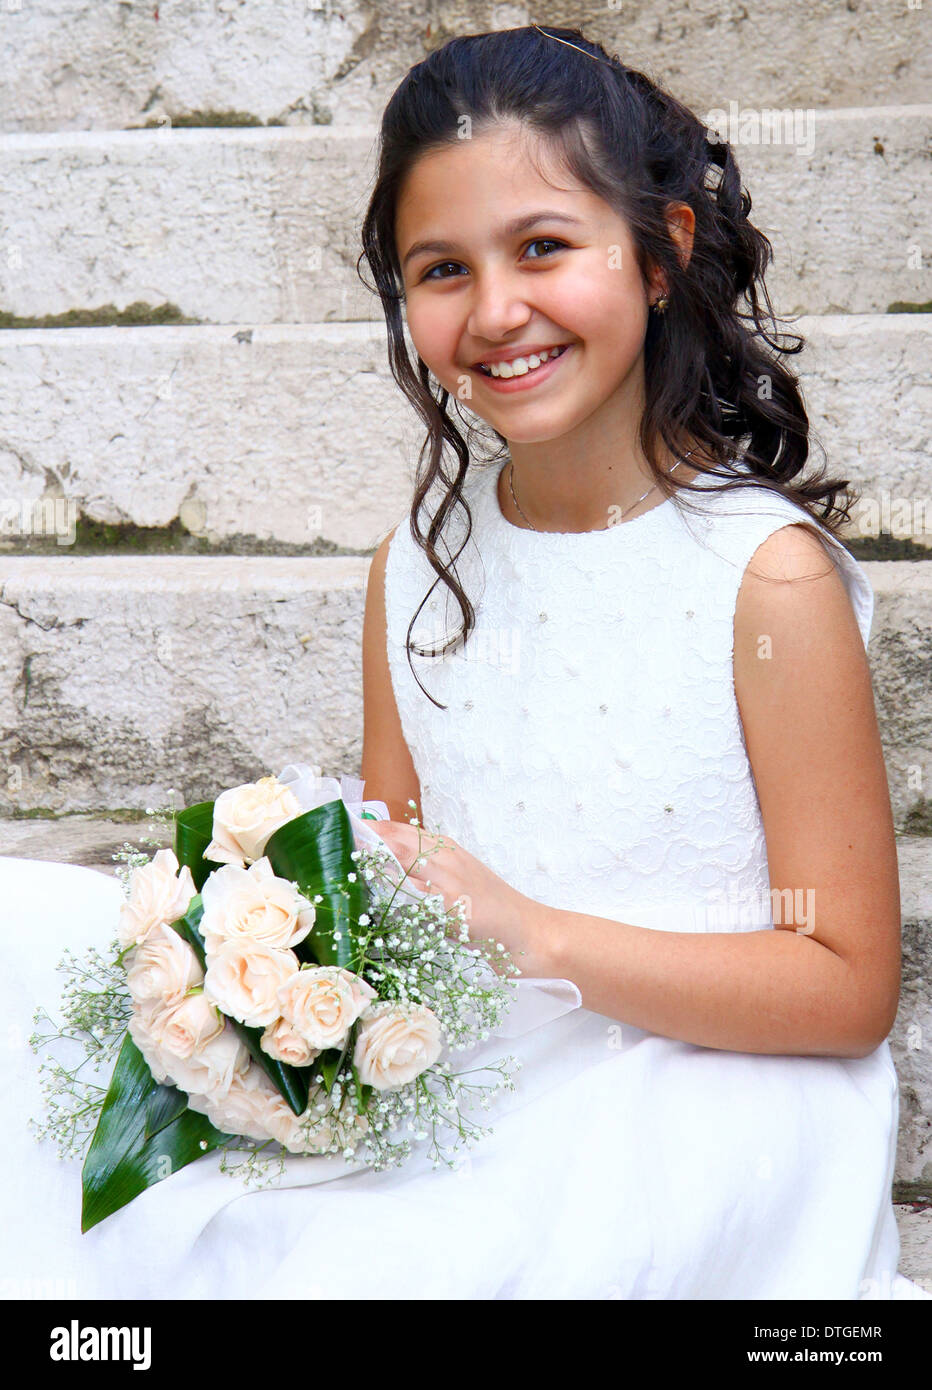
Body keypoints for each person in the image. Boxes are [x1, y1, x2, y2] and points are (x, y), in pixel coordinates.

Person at [1, 24, 926, 1301]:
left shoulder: (760, 581)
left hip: (701, 1082)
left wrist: (529, 932)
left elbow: (845, 985)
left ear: (659, 256)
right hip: (475, 1056)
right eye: (442, 269)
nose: (495, 312)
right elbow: (402, 874)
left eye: (542, 247)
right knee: (24, 938)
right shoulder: (417, 565)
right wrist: (268, 978)